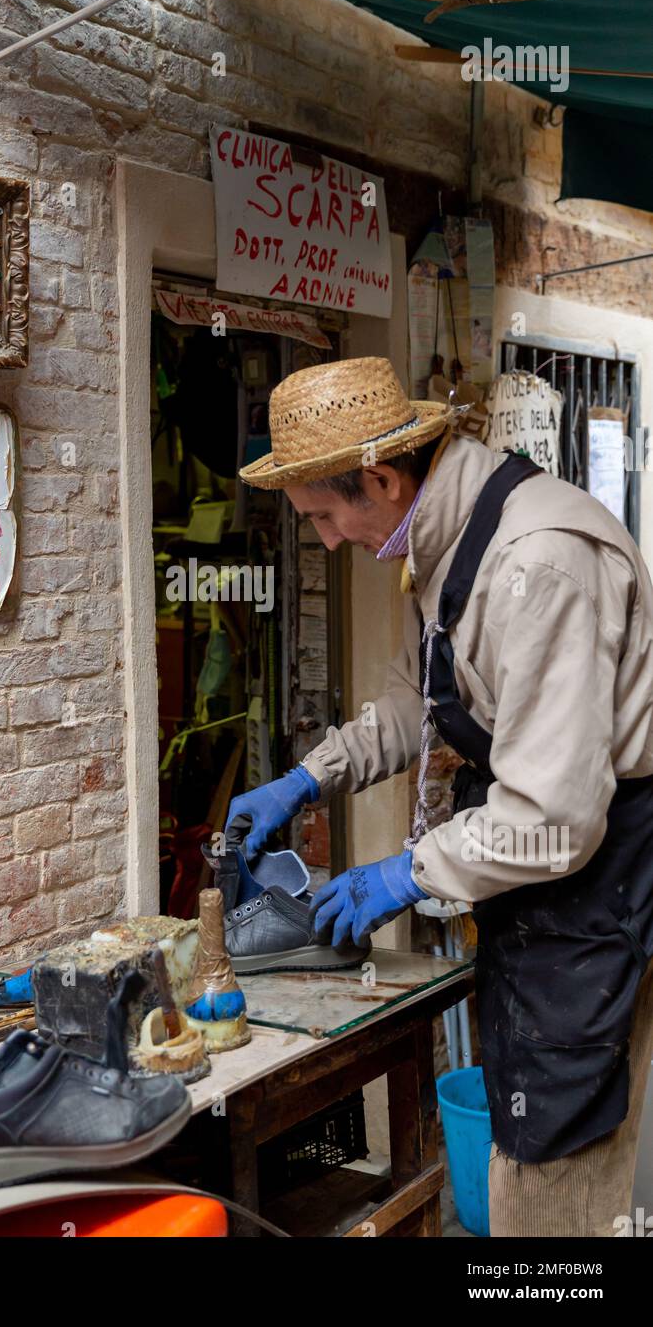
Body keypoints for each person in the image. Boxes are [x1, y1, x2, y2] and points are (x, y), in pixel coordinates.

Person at [230, 355, 653, 1237]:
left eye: (323, 516)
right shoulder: (452, 539)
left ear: (381, 478)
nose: (325, 540)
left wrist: (407, 872)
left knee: (552, 1177)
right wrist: (312, 775)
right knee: (516, 1140)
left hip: (597, 871)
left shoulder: (537, 564)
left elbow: (555, 820)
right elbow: (422, 698)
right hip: (548, 882)